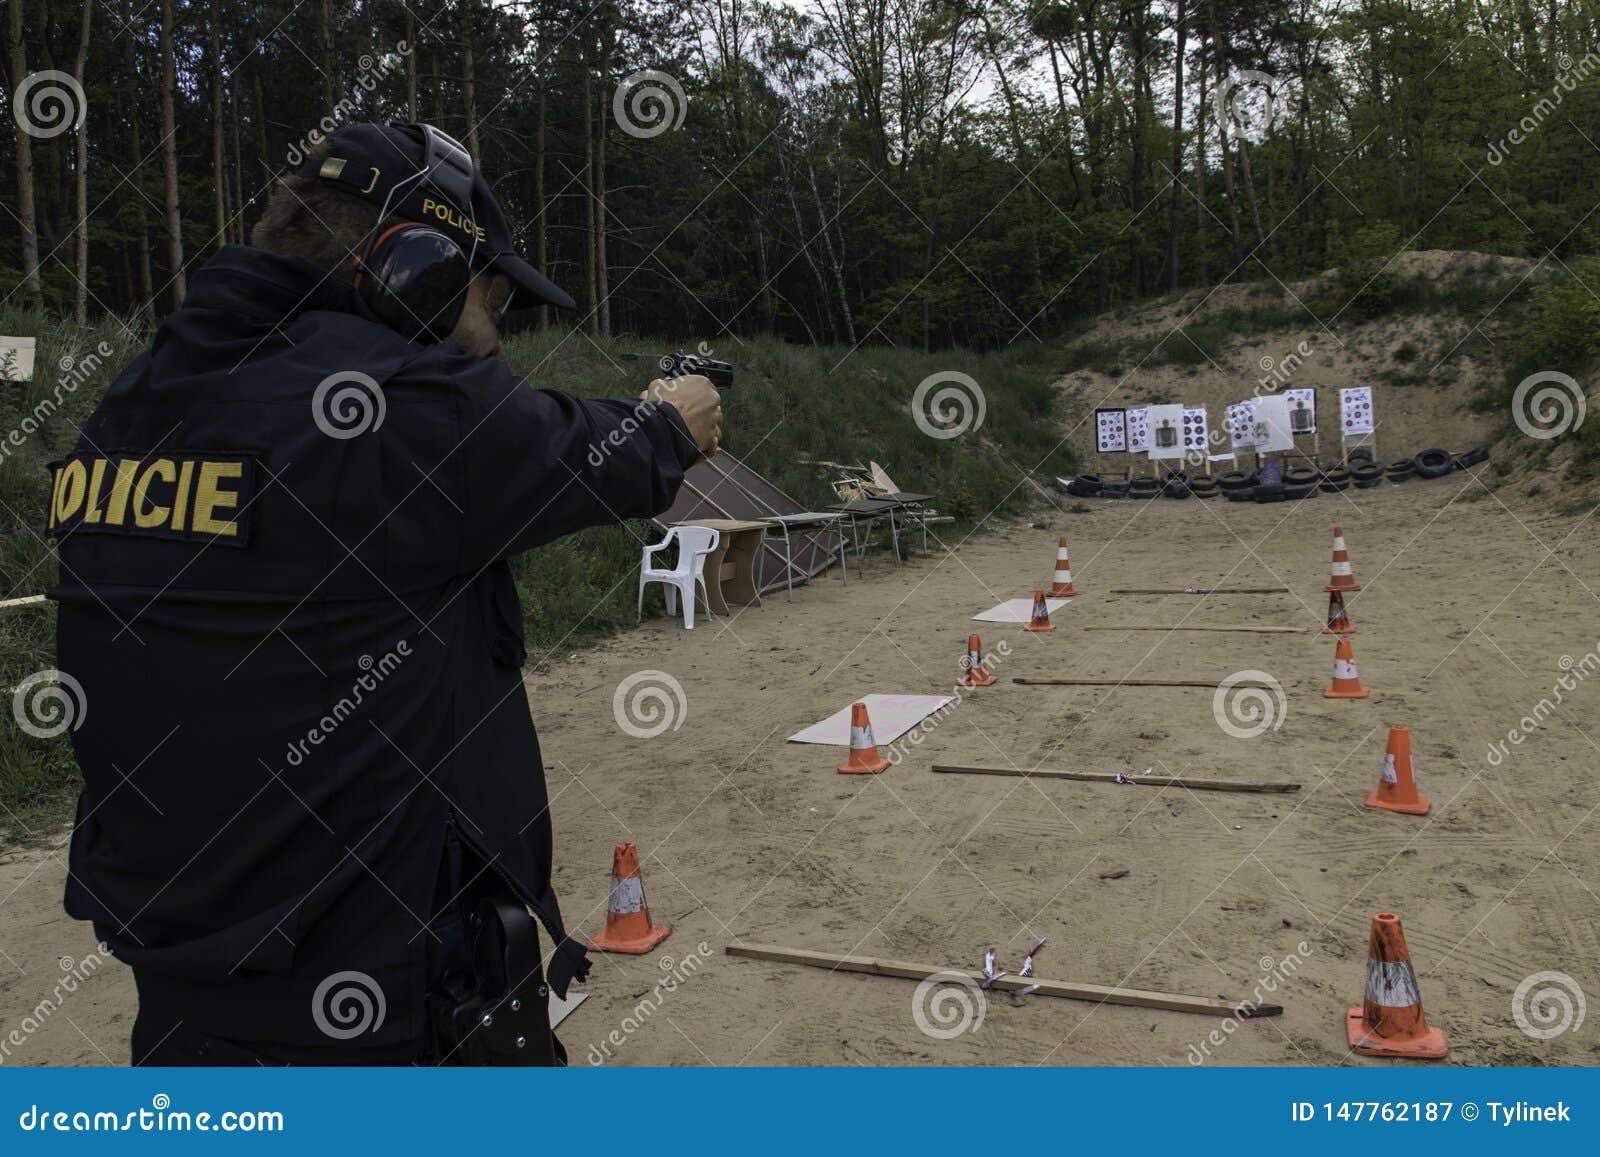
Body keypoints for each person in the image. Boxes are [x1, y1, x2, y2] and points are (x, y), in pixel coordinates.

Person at [47, 122, 721, 1066]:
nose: (493, 335)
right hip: (389, 1003)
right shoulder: (399, 414)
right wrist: (673, 420)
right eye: (490, 297)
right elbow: (596, 452)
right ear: (419, 273)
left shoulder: (128, 404)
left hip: (184, 996)